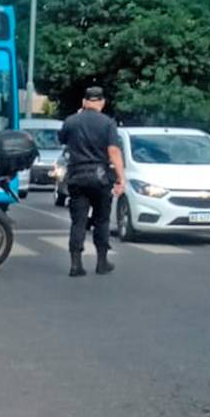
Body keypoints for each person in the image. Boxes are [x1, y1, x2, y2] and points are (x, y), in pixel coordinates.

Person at [58, 86, 125, 277]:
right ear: (102, 102)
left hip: (77, 177)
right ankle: (102, 262)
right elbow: (113, 151)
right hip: (100, 177)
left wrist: (76, 116)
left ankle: (75, 265)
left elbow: (61, 139)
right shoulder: (108, 123)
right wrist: (121, 178)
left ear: (84, 102)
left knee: (78, 221)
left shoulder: (72, 121)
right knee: (102, 220)